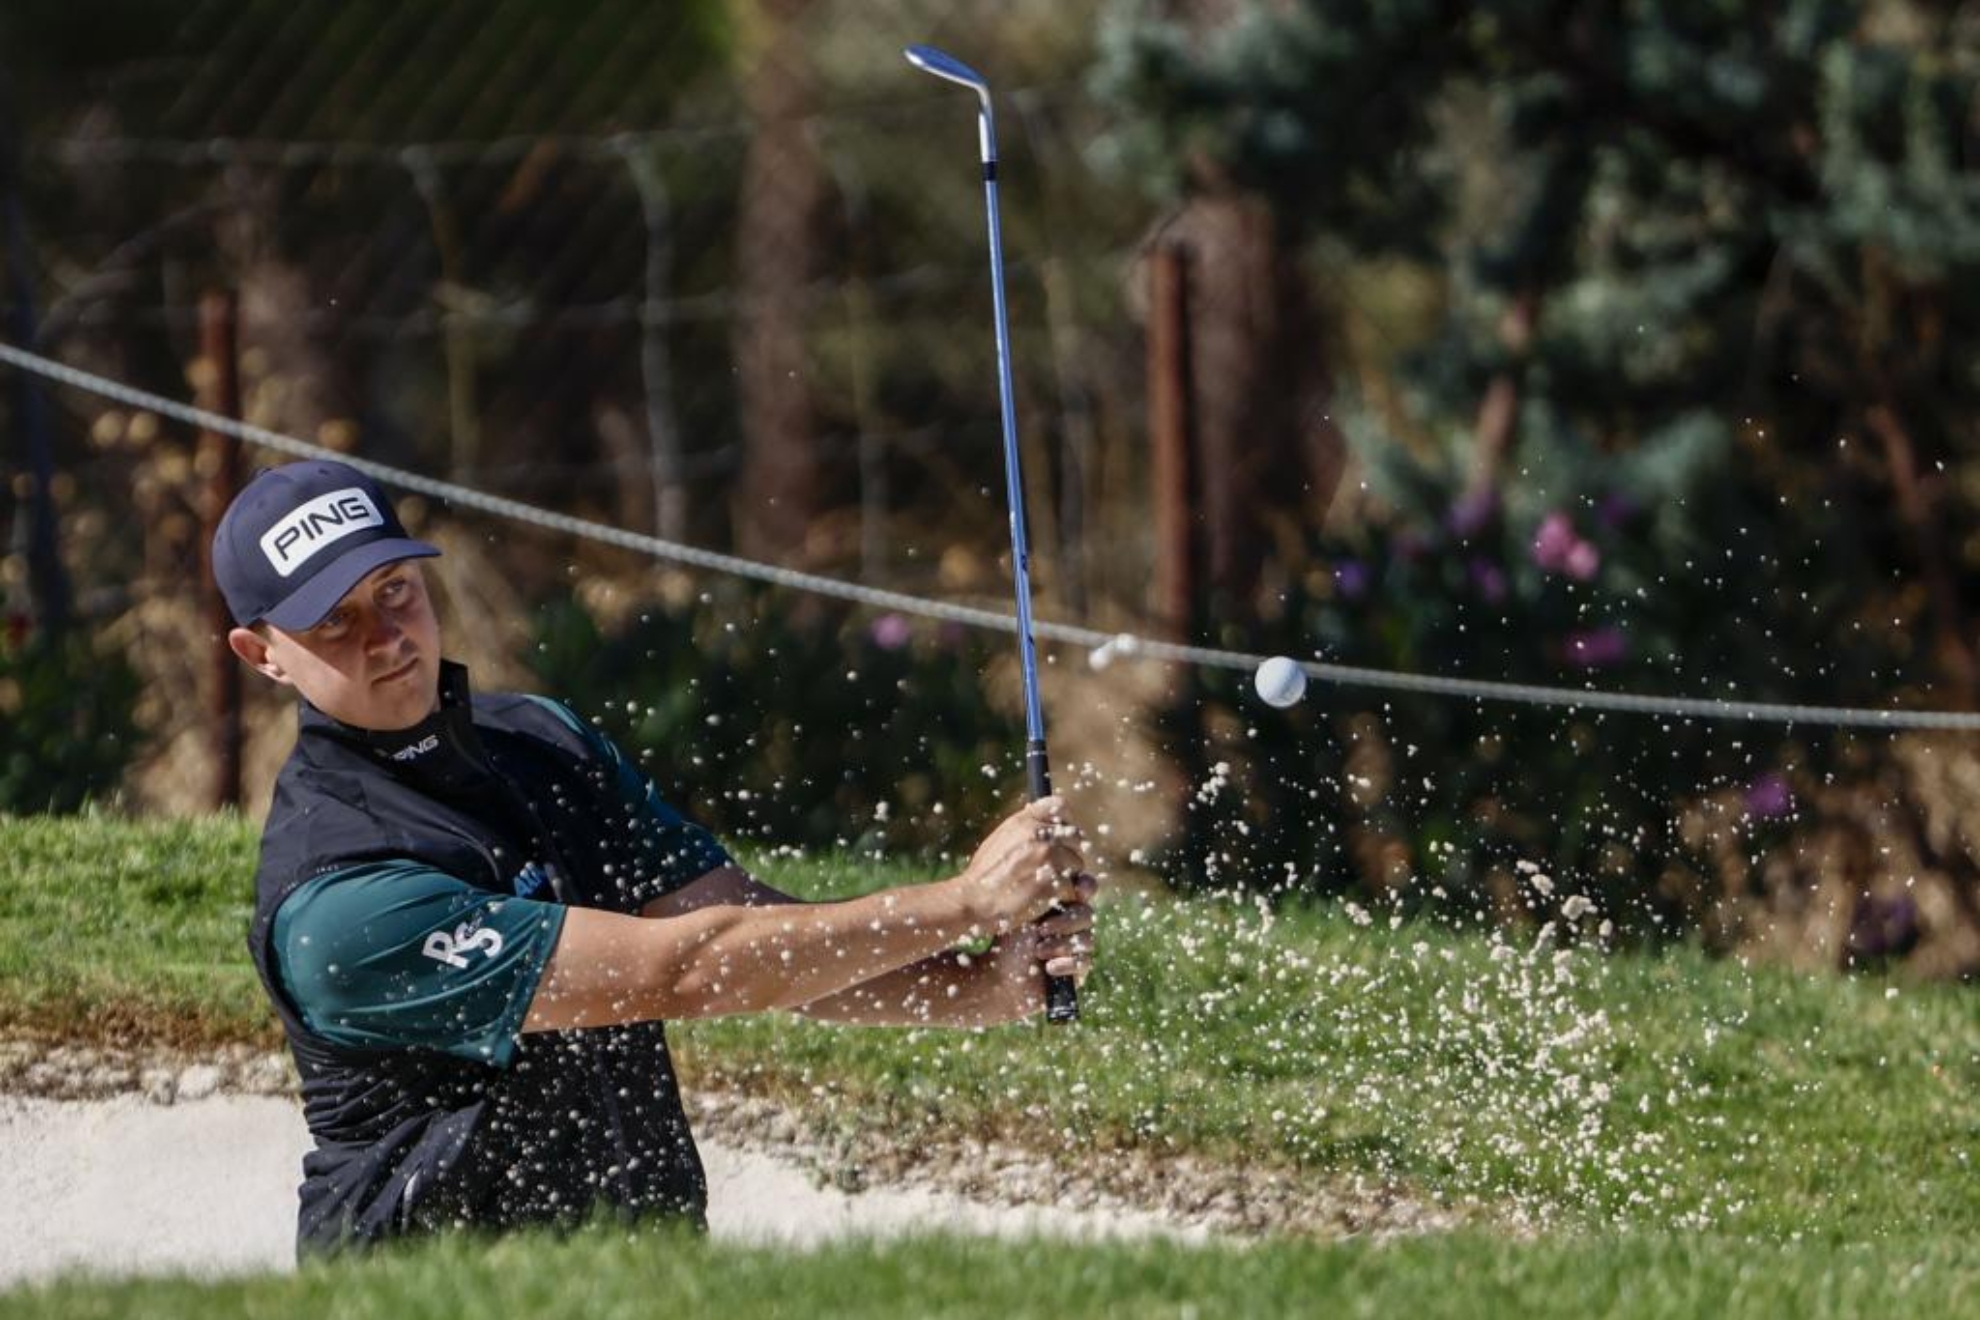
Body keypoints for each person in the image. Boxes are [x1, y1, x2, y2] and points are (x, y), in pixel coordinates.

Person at [212, 459, 1096, 1254]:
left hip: (639, 1270)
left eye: (396, 588)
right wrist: (970, 903)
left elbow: (759, 934)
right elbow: (681, 969)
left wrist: (978, 983)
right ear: (262, 656)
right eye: (334, 621)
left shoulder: (541, 739)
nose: (385, 636)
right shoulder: (339, 903)